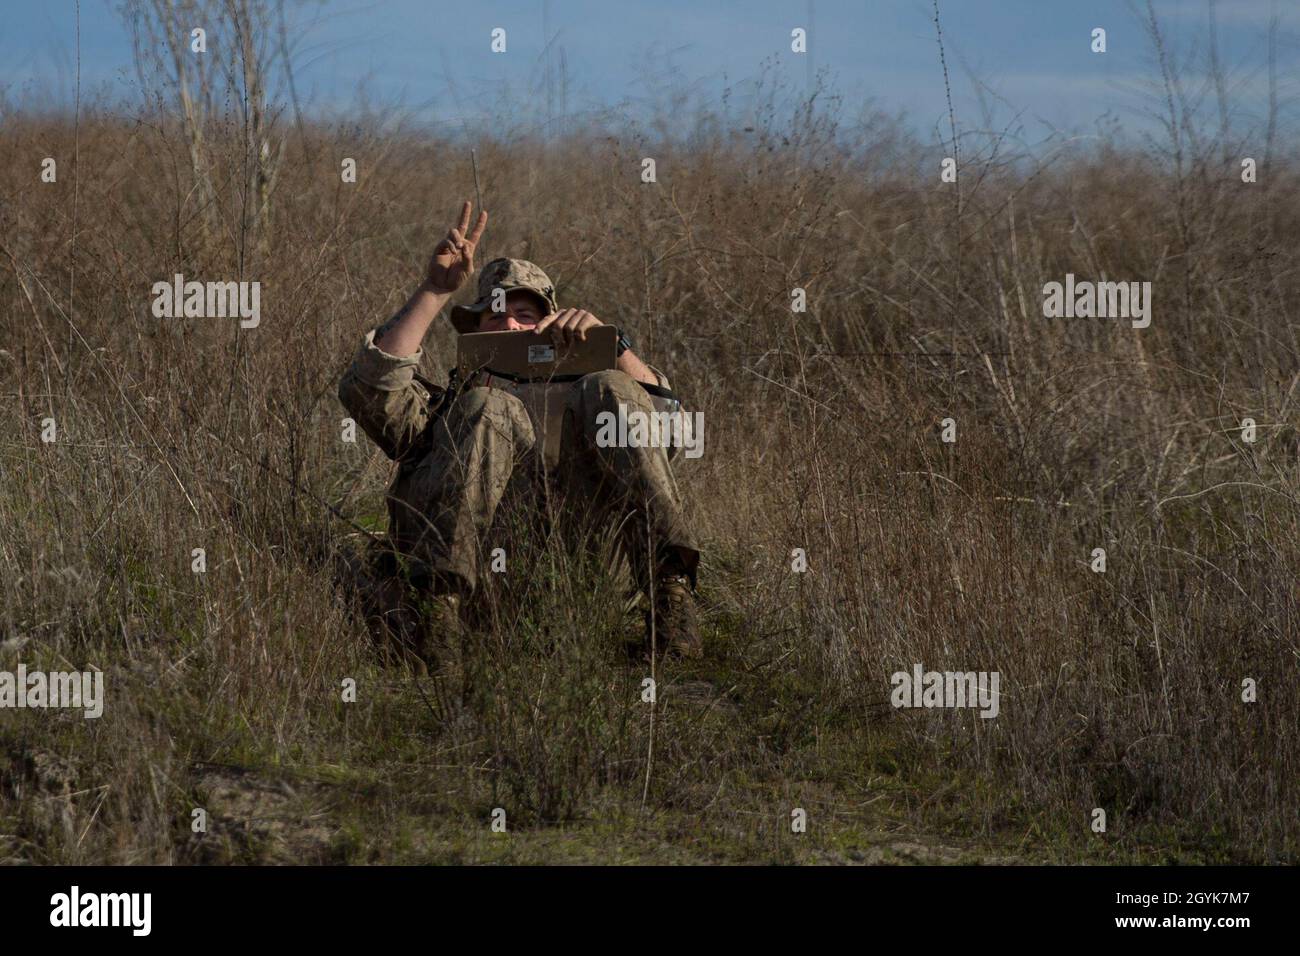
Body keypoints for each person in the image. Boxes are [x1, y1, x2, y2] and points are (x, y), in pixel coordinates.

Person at [338, 201, 701, 672]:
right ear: (475, 332)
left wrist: (613, 350)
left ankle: (672, 597)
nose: (509, 322)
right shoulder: (451, 407)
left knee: (610, 388)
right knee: (489, 405)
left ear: (549, 324)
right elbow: (370, 394)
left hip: (585, 577)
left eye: (525, 315)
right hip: (478, 586)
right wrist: (434, 291)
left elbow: (673, 437)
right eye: (494, 316)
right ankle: (437, 618)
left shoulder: (595, 396)